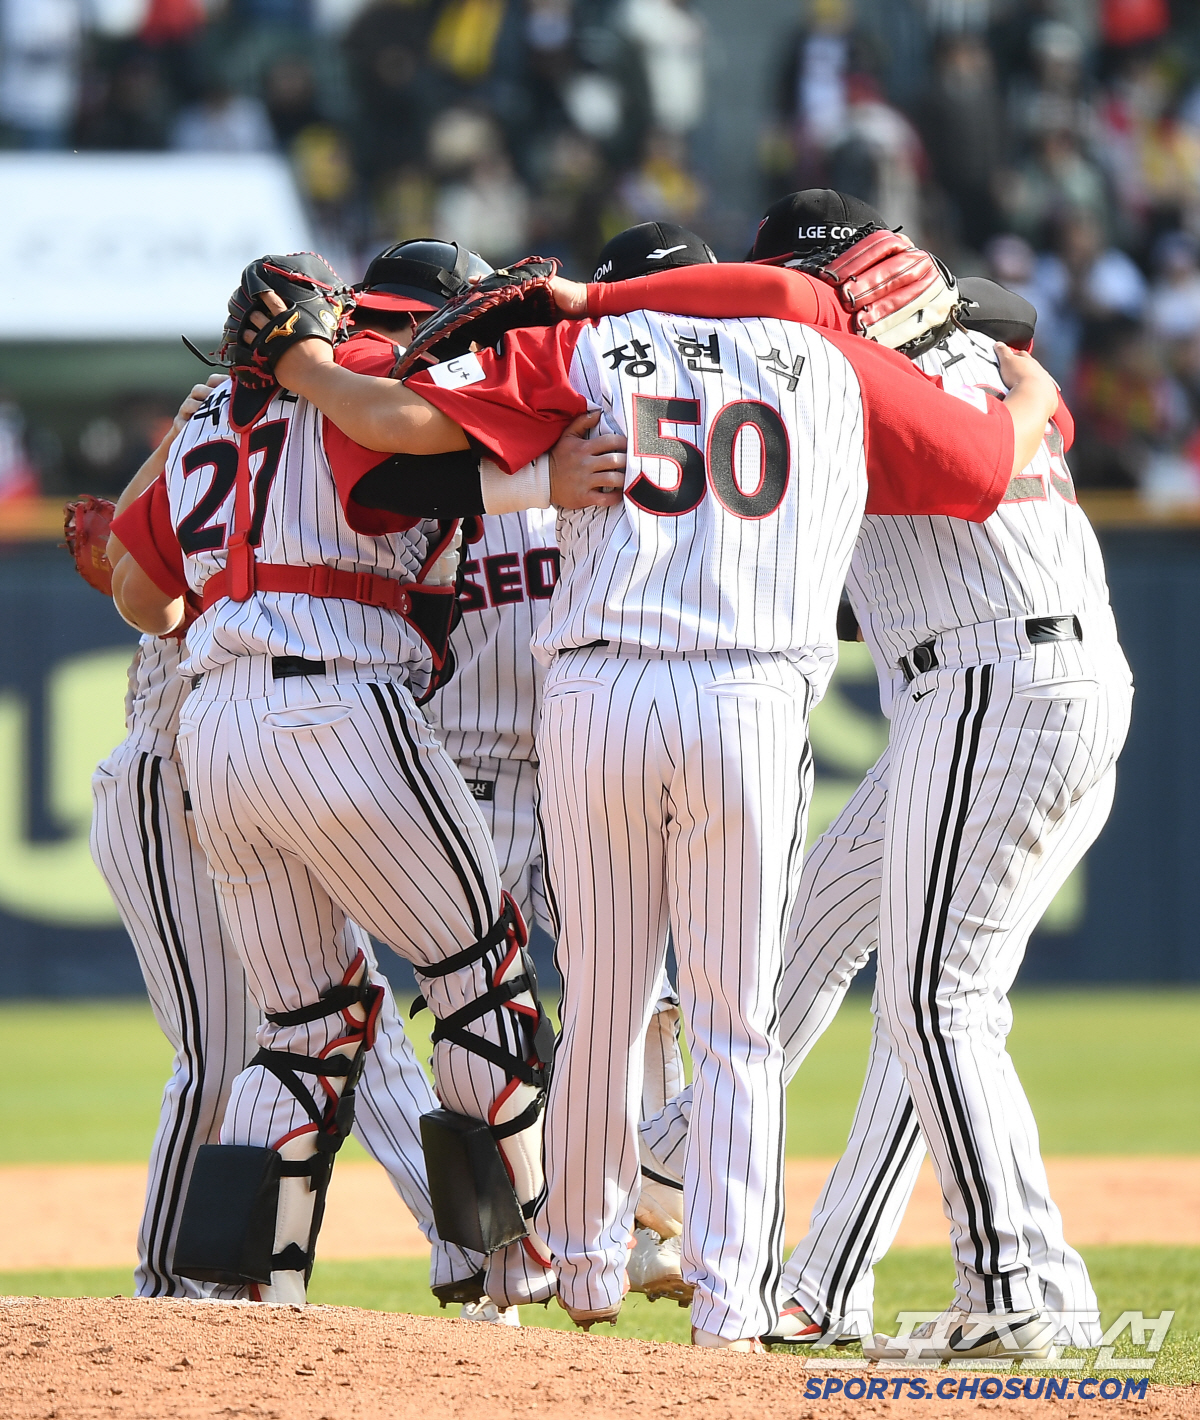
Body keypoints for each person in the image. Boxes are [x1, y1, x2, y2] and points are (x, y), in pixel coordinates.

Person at [253, 231, 1058, 1348]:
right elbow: (976, 470)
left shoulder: (584, 344)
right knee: (738, 1023)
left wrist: (310, 362)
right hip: (751, 698)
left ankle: (584, 1265)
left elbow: (393, 437)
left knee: (601, 1005)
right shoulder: (833, 357)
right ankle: (731, 1301)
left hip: (601, 695)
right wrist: (1033, 392)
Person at [597, 190, 1132, 1360]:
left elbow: (946, 449)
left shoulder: (844, 364)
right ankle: (729, 1202)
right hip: (1003, 678)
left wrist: (583, 303)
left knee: (937, 1000)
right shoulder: (972, 351)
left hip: (995, 682)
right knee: (827, 934)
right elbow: (1021, 364)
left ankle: (1020, 1288)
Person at [102, 253, 616, 1314]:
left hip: (216, 724)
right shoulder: (362, 368)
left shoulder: (206, 423)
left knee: (303, 1029)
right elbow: (398, 434)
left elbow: (140, 596)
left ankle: (243, 1295)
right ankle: (507, 1259)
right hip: (341, 693)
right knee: (482, 975)